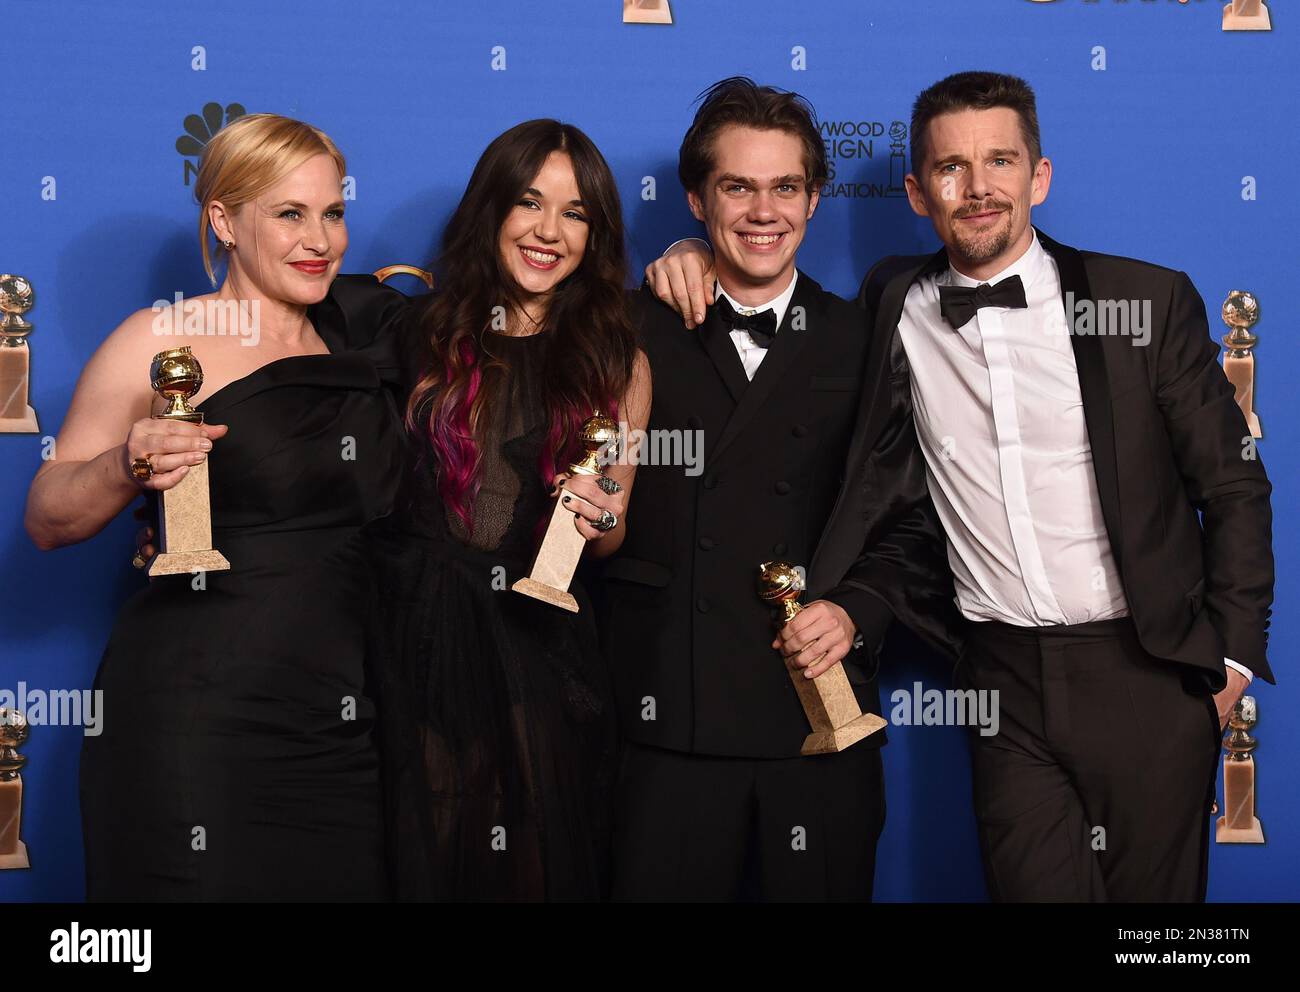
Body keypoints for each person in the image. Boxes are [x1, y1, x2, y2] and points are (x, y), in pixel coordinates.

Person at [652, 71, 1275, 903]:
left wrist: (1226, 667)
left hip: (1146, 672)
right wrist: (688, 252)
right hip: (998, 680)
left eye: (1000, 163)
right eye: (951, 168)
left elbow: (1234, 489)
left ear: (1039, 177)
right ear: (916, 192)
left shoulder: (1143, 301)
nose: (977, 188)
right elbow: (755, 275)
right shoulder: (890, 304)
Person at [25, 114, 408, 901]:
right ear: (224, 220)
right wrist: (128, 462)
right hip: (198, 716)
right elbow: (47, 515)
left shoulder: (368, 335)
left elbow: (524, 299)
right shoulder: (159, 339)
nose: (321, 240)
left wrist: (694, 257)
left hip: (348, 724)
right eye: (289, 214)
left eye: (333, 213)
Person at [608, 78, 958, 902]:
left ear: (814, 198)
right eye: (738, 186)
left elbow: (919, 517)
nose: (763, 211)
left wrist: (858, 611)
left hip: (820, 718)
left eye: (785, 187)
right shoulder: (628, 326)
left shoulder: (870, 337)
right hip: (664, 720)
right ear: (697, 199)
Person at [368, 119, 650, 901]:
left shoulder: (618, 359)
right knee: (420, 848)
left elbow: (612, 533)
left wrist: (597, 512)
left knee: (533, 860)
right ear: (491, 209)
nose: (548, 231)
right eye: (529, 202)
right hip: (409, 635)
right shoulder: (417, 334)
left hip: (534, 641)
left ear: (595, 236)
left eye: (574, 213)